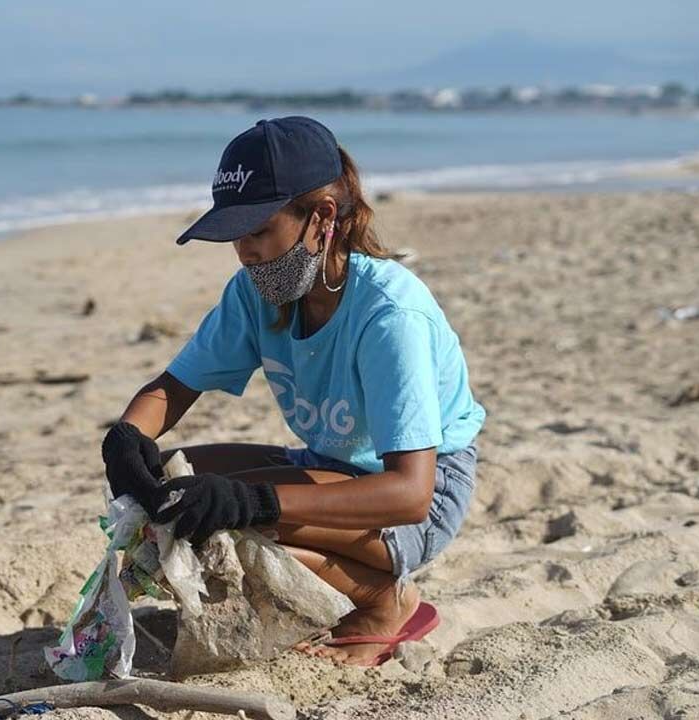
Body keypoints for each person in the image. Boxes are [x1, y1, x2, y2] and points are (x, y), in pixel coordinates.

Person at [100, 117, 485, 667]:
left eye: (258, 231)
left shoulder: (390, 315)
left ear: (322, 217)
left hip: (418, 498)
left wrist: (254, 501)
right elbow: (173, 388)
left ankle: (382, 599)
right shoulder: (255, 294)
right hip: (330, 465)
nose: (244, 251)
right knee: (168, 486)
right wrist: (127, 437)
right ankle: (332, 579)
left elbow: (409, 493)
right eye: (235, 235)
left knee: (227, 513)